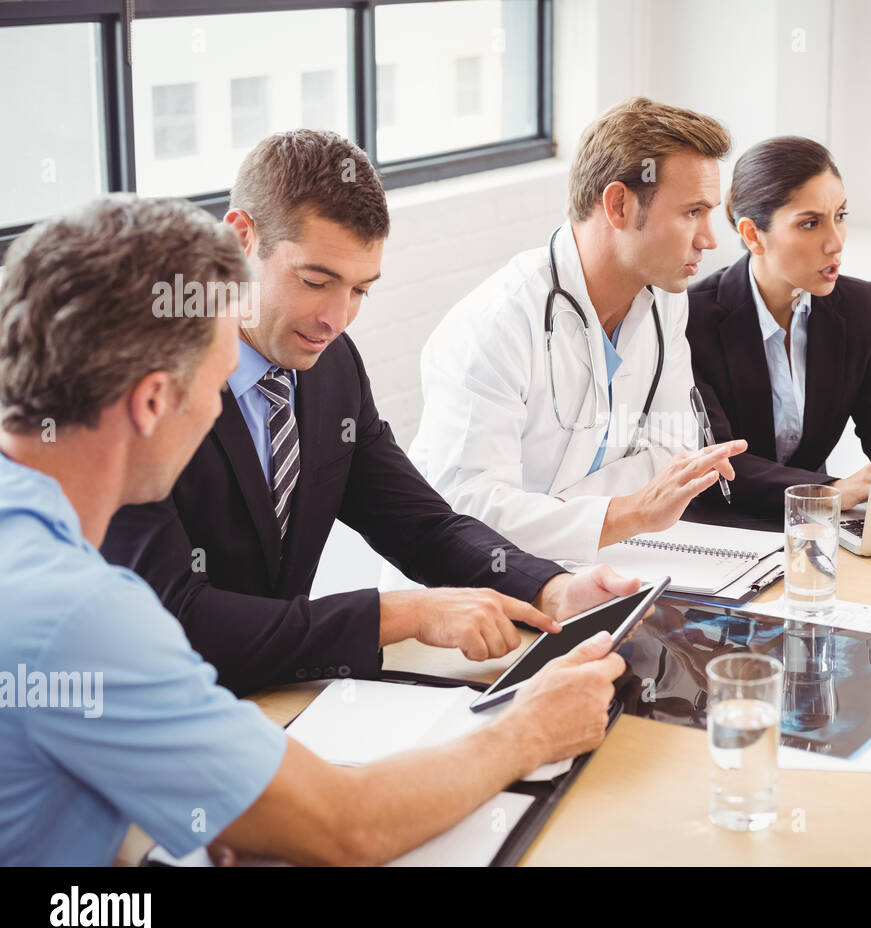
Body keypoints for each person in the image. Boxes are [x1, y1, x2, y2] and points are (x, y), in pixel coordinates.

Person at [0, 196, 626, 865]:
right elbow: (347, 826)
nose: (222, 404)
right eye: (216, 386)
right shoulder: (83, 615)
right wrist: (528, 731)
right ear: (153, 401)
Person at [102, 131, 638, 697]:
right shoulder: (147, 386)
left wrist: (548, 588)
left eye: (361, 290)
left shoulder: (331, 367)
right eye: (315, 281)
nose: (336, 319)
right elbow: (176, 618)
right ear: (241, 239)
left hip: (281, 696)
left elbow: (421, 525)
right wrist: (400, 614)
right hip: (155, 707)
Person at [396, 97, 747, 566]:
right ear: (619, 205)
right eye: (692, 213)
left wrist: (556, 510)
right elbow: (468, 511)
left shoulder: (666, 299)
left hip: (594, 568)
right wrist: (629, 510)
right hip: (469, 598)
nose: (709, 239)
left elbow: (674, 450)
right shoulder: (496, 323)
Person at [686, 136, 871, 518]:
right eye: (810, 223)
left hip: (816, 526)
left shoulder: (859, 307)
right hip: (723, 526)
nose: (835, 243)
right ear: (753, 235)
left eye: (840, 216)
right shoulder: (692, 317)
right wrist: (833, 491)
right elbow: (717, 463)